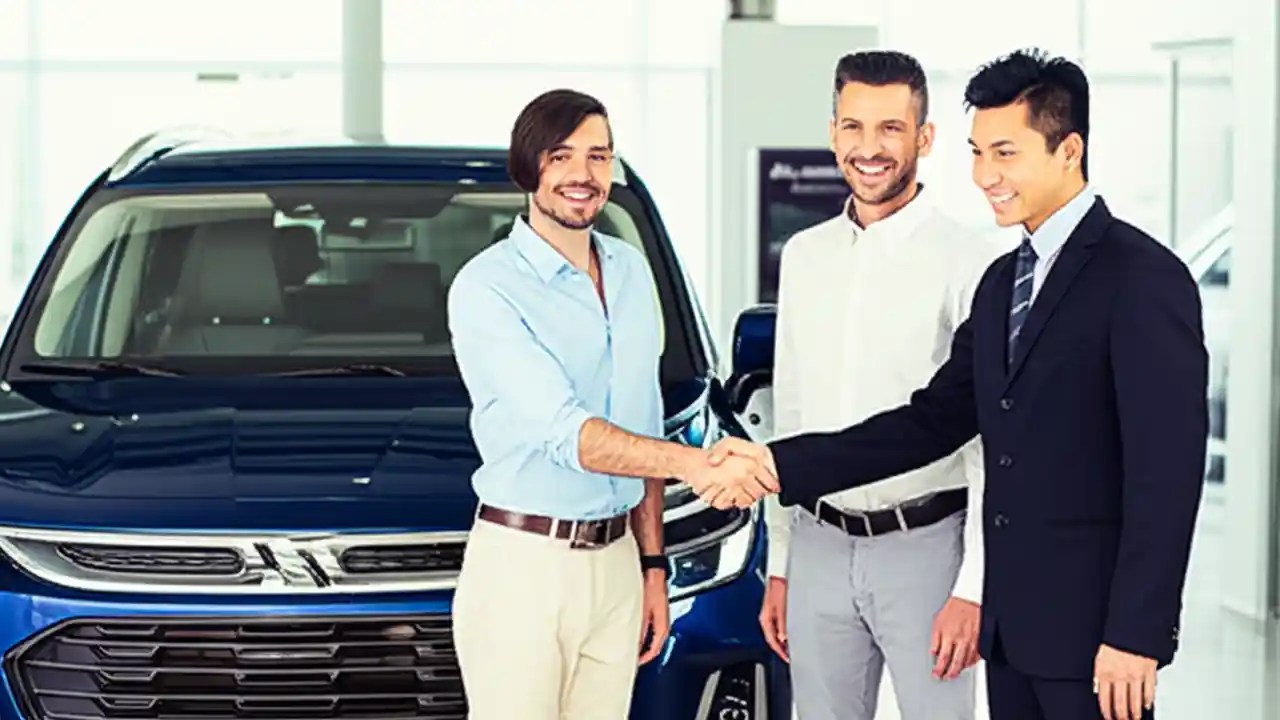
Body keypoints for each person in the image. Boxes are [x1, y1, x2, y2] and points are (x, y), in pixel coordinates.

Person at [714, 49, 1207, 720]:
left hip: (1098, 641)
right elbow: (933, 421)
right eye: (977, 153)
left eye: (1005, 154)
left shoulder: (1142, 277)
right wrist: (778, 464)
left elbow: (1167, 474)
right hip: (1015, 639)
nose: (985, 177)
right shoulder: (1006, 281)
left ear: (1069, 151)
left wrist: (1136, 634)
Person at [446, 88, 776, 720]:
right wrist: (699, 465)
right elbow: (568, 434)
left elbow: (640, 421)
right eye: (562, 155)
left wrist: (653, 565)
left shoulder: (628, 269)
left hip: (620, 564)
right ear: (529, 167)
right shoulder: (487, 288)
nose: (582, 174)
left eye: (598, 156)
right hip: (526, 566)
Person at [760, 50, 1009, 720]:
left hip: (927, 548)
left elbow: (987, 433)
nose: (869, 149)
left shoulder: (972, 260)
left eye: (890, 129)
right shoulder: (806, 257)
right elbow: (793, 414)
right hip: (816, 544)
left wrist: (975, 586)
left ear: (925, 139)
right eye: (853, 127)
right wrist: (781, 563)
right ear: (834, 131)